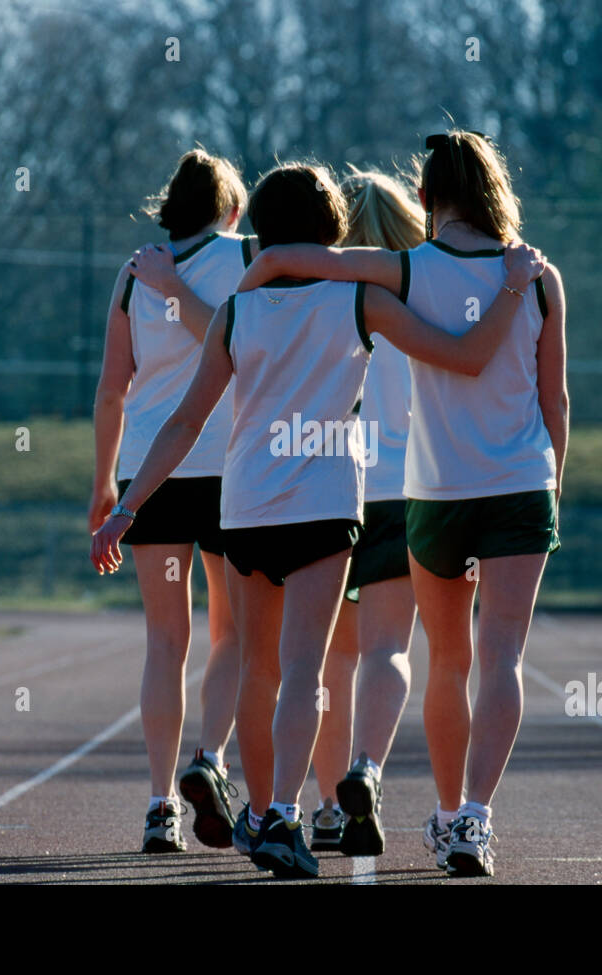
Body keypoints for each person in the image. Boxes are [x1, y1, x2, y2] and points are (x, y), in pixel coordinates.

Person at [93, 160, 547, 879]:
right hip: (326, 505)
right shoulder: (360, 304)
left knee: (255, 666)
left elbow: (182, 423)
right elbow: (463, 356)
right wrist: (514, 285)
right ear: (331, 233)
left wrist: (125, 507)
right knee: (306, 667)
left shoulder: (239, 309)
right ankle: (284, 817)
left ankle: (265, 809)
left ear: (263, 235)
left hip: (246, 504)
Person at [235, 130, 568, 878]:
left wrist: (249, 287)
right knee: (501, 655)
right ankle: (469, 817)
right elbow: (559, 401)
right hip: (519, 482)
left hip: (430, 490)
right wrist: (557, 479)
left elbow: (294, 257)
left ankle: (374, 800)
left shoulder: (403, 273)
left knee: (433, 660)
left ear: (427, 195)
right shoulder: (541, 277)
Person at [88, 148, 253, 854]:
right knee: (230, 632)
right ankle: (205, 761)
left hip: (151, 476)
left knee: (166, 640)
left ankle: (163, 802)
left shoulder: (134, 275)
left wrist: (103, 482)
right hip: (219, 470)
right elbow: (236, 342)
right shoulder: (248, 257)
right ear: (232, 208)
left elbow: (109, 391)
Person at [307, 168, 425, 858]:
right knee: (390, 647)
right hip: (404, 487)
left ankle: (325, 806)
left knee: (328, 659)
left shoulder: (317, 292)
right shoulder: (425, 291)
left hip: (328, 487)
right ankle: (368, 768)